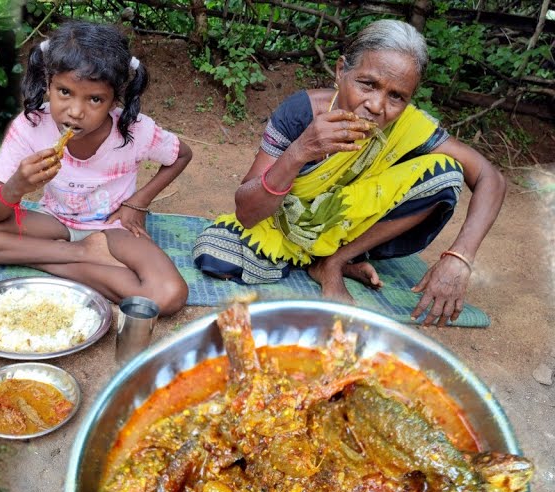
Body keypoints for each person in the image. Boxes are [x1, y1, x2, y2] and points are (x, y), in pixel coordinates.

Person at [191, 19, 505, 326]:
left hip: (343, 230)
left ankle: (334, 261)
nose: (377, 105)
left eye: (396, 96)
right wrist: (301, 150)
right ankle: (316, 259)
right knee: (216, 254)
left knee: (446, 173)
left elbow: (490, 177)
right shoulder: (301, 113)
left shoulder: (410, 126)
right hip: (281, 225)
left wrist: (459, 259)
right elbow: (246, 212)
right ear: (341, 71)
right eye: (368, 84)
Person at [0, 20, 193, 313]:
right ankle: (77, 254)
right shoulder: (31, 126)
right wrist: (16, 186)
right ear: (48, 84)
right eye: (64, 92)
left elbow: (181, 155)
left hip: (112, 228)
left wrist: (137, 203)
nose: (75, 112)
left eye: (95, 99)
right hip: (54, 222)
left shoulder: (135, 131)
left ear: (115, 100)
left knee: (168, 295)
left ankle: (39, 257)